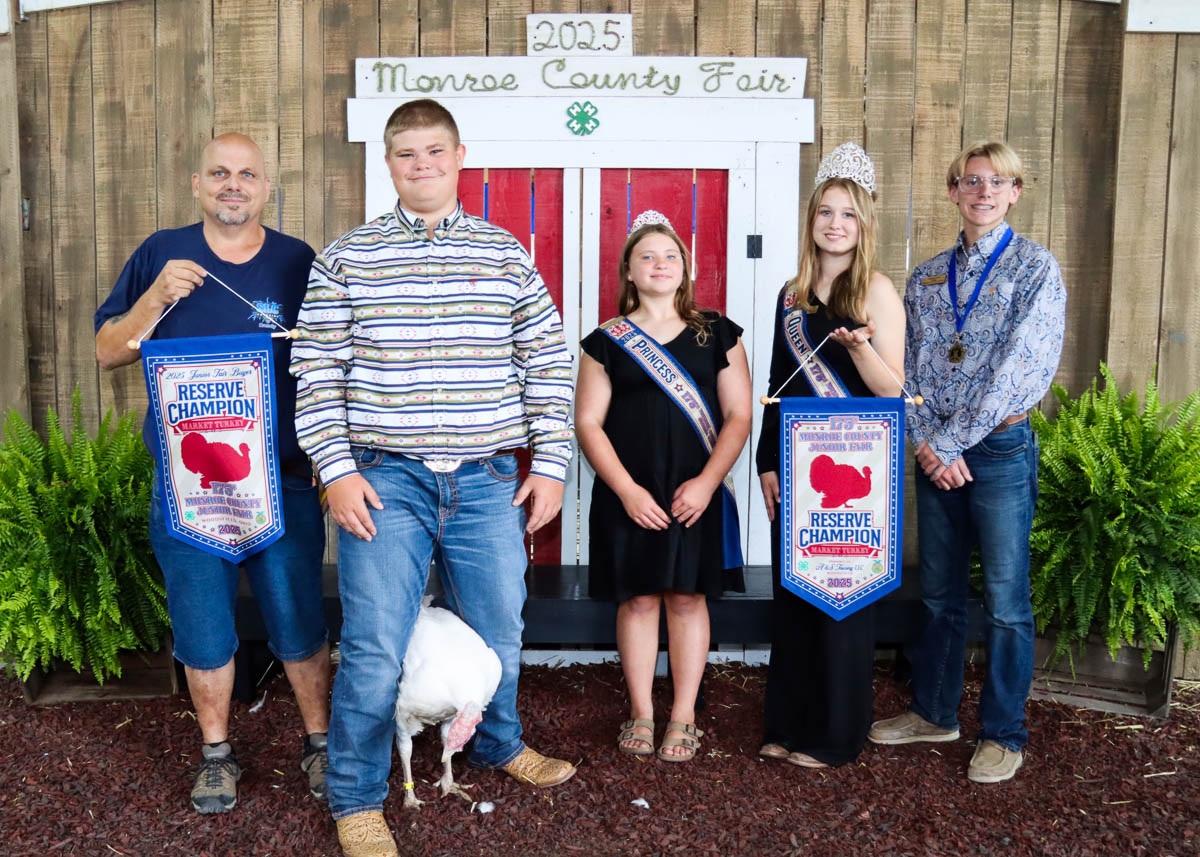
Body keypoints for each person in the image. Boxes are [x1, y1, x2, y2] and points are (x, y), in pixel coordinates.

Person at [290, 99, 576, 857]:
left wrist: (549, 464)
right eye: (407, 154)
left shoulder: (504, 252)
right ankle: (355, 796)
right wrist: (336, 472)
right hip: (387, 480)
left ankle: (497, 742)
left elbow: (546, 362)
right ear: (388, 163)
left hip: (486, 479)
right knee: (379, 643)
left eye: (435, 152)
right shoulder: (347, 256)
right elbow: (314, 369)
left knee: (500, 629)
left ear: (459, 158)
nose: (422, 165)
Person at [94, 133, 332, 814]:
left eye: (247, 174)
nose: (234, 184)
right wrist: (153, 302)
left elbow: (327, 356)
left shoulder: (298, 261)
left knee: (300, 621)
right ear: (197, 183)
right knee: (202, 626)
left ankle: (318, 743)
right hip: (187, 486)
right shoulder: (158, 255)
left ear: (266, 187)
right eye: (220, 173)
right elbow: (108, 351)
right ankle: (217, 755)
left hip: (282, 479)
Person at [868, 141, 1066, 784]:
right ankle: (934, 711)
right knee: (938, 594)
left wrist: (949, 445)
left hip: (1000, 448)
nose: (983, 191)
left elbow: (1018, 370)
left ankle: (1004, 732)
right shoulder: (926, 277)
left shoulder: (1035, 269)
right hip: (936, 451)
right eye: (970, 180)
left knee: (1006, 602)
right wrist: (927, 441)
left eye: (997, 181)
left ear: (1015, 192)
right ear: (953, 192)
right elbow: (909, 372)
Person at [575, 212, 752, 763]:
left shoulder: (715, 332)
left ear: (685, 269)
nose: (659, 264)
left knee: (686, 597)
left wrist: (706, 483)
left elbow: (740, 416)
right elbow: (587, 423)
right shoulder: (606, 341)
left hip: (694, 494)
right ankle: (642, 712)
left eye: (670, 256)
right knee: (639, 598)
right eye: (647, 256)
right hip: (631, 494)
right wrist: (626, 490)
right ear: (628, 269)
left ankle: (683, 714)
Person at [754, 143, 905, 769]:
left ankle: (837, 737)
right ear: (811, 218)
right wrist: (766, 465)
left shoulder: (875, 289)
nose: (835, 224)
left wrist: (862, 347)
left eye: (848, 214)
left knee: (843, 599)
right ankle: (788, 724)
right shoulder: (793, 294)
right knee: (796, 598)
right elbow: (775, 388)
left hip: (857, 472)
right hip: (797, 466)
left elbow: (894, 390)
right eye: (826, 212)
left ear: (863, 223)